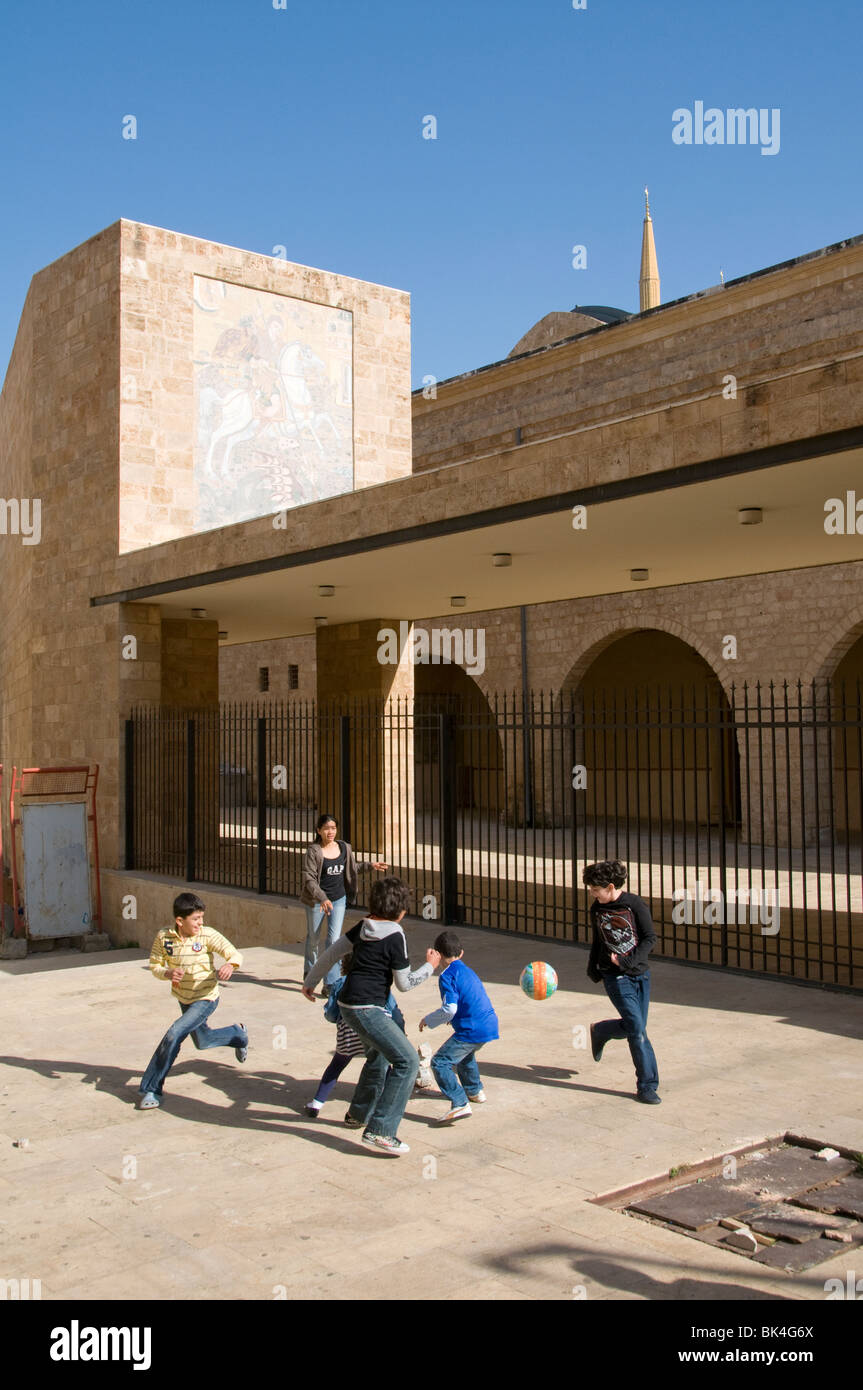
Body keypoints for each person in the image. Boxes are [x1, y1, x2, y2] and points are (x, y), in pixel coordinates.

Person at [302, 876, 434, 1155]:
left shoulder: (363, 926)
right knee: (408, 1061)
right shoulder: (396, 934)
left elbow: (331, 953)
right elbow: (404, 983)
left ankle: (358, 1115)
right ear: (401, 910)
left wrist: (310, 981)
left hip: (347, 1006)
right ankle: (381, 1130)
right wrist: (430, 966)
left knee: (379, 1056)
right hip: (368, 1009)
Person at [138, 892, 247, 1110]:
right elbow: (155, 965)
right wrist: (167, 973)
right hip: (184, 998)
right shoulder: (164, 937)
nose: (200, 923)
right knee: (203, 1041)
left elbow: (234, 953)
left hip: (206, 998)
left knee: (174, 1033)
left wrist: (230, 965)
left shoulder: (207, 935)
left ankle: (152, 1089)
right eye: (196, 919)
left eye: (202, 918)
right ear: (180, 921)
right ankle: (238, 1035)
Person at [583, 859, 661, 1104]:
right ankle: (646, 1086)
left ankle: (602, 1030)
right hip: (614, 976)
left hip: (639, 974)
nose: (593, 894)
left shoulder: (634, 904)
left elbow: (650, 938)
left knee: (637, 1027)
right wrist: (593, 966)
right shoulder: (597, 909)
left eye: (596, 889)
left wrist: (628, 961)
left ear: (610, 886)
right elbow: (598, 940)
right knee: (636, 1029)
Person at [300, 814, 387, 997]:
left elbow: (351, 869)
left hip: (338, 899)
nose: (330, 832)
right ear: (318, 830)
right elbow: (309, 878)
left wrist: (370, 865)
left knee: (333, 941)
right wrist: (322, 898)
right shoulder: (314, 851)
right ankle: (310, 973)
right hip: (317, 901)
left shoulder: (344, 847)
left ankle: (331, 982)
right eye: (326, 828)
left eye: (333, 828)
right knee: (313, 939)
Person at [419, 930, 499, 1125]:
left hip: (471, 1028)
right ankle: (474, 1091)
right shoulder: (468, 970)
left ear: (437, 955)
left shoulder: (447, 976)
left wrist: (428, 1020)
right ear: (461, 953)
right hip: (489, 1023)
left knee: (440, 1062)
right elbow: (470, 998)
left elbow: (450, 1008)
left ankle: (459, 1101)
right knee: (464, 1055)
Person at [304, 967, 406, 1118]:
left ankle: (316, 1104)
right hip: (377, 1027)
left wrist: (338, 1020)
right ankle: (390, 1101)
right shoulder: (380, 980)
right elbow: (393, 1011)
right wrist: (400, 1032)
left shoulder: (341, 982)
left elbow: (331, 1013)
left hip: (349, 1028)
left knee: (336, 1065)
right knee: (382, 1065)